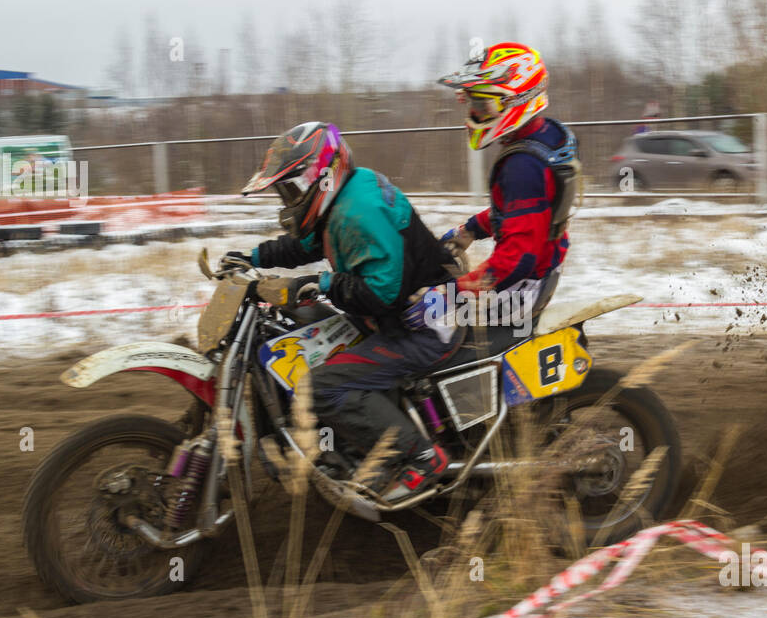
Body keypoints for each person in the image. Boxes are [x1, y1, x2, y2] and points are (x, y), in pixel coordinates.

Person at [225, 121, 457, 501]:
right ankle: (353, 443)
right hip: (397, 316)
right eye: (284, 190)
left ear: (322, 175)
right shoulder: (347, 193)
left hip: (421, 326)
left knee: (318, 387)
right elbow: (308, 244)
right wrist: (252, 256)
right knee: (307, 321)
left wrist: (325, 284)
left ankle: (422, 456)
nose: (288, 198)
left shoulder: (358, 211)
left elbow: (383, 292)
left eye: (291, 187)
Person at [430, 42, 579, 335]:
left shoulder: (522, 165)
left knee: (432, 330)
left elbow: (519, 255)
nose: (474, 113)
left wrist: (457, 289)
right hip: (545, 265)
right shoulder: (547, 135)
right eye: (472, 102)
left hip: (521, 288)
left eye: (483, 105)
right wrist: (470, 230)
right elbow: (520, 210)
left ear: (517, 101)